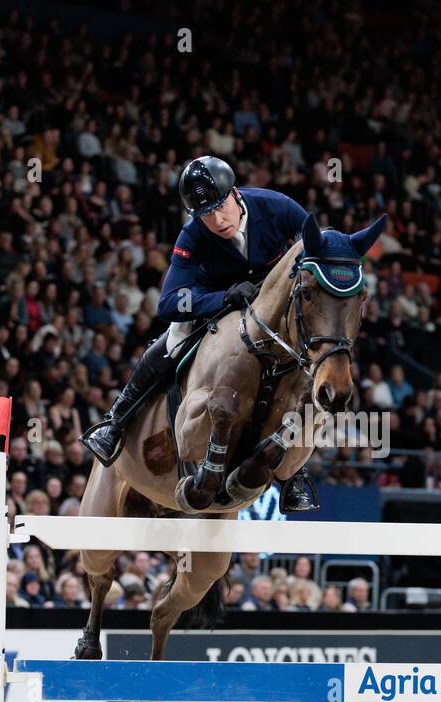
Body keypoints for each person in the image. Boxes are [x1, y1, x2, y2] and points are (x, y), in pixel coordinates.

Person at [80, 155, 319, 512]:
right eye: (205, 214)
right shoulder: (193, 234)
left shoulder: (277, 207)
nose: (216, 220)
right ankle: (116, 422)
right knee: (170, 343)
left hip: (269, 306)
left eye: (220, 207)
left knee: (309, 353)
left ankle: (295, 472)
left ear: (235, 194)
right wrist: (222, 297)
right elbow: (168, 302)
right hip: (214, 305)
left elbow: (317, 247)